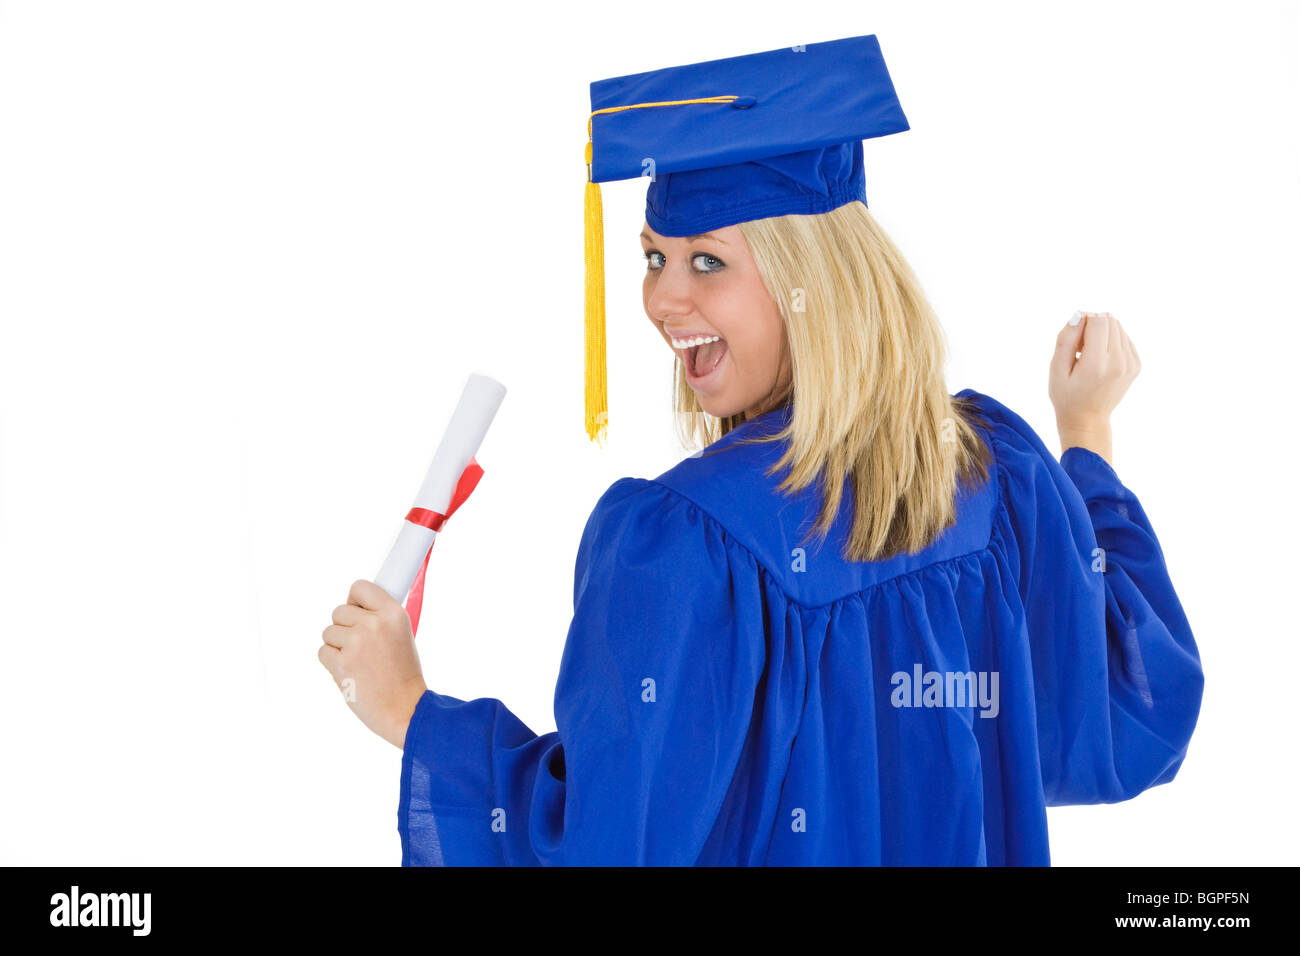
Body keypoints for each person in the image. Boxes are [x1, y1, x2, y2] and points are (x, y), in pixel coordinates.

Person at [317, 34, 1205, 865]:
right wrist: (1085, 434)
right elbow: (1130, 713)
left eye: (708, 262)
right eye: (652, 259)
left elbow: (606, 843)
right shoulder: (987, 473)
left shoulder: (684, 542)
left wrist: (414, 716)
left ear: (813, 278)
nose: (663, 300)